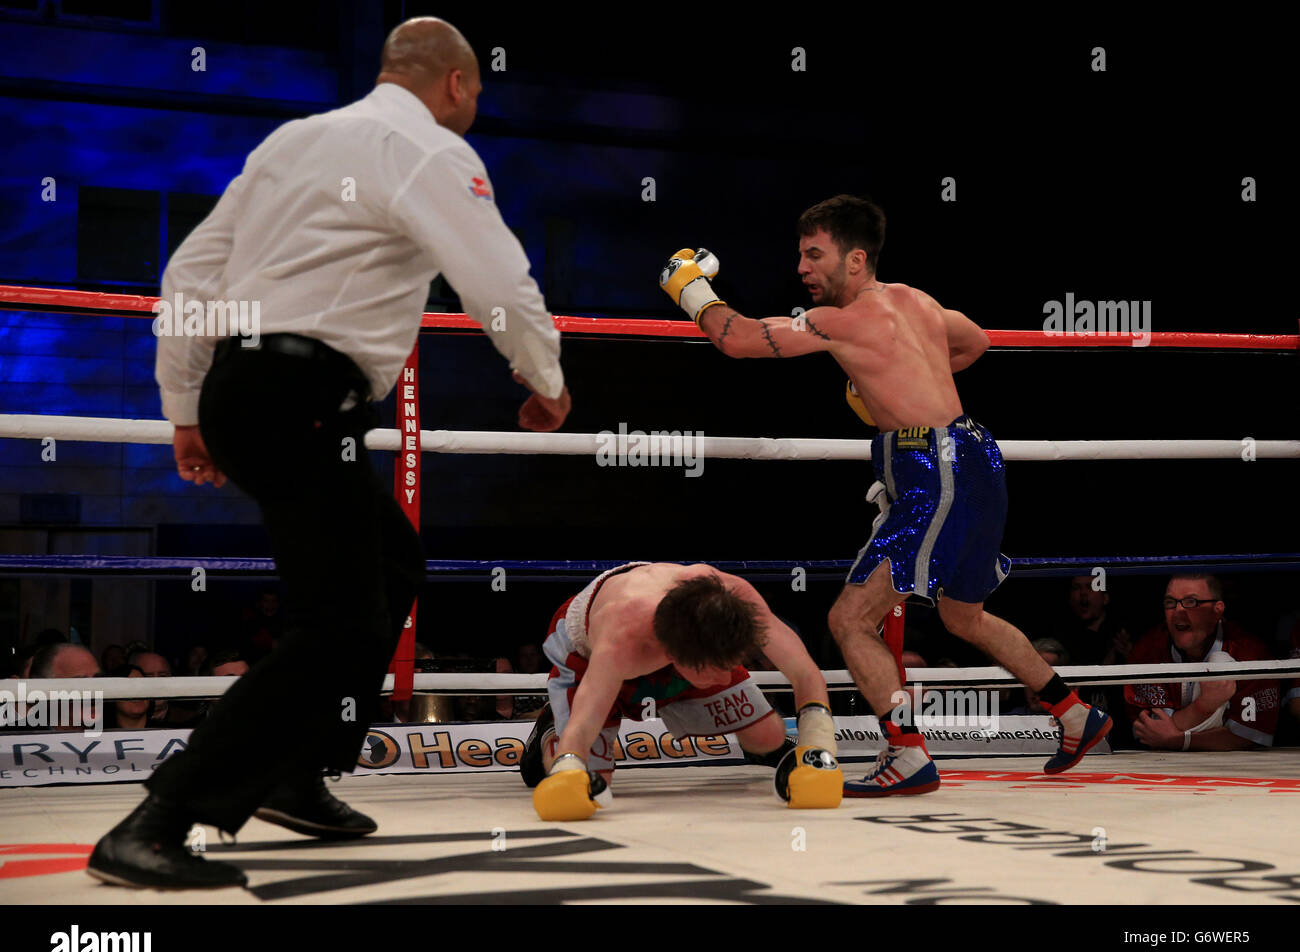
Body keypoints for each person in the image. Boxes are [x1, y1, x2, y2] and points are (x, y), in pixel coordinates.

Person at [89, 16, 571, 890]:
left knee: (390, 561)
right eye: (478, 89)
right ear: (458, 84)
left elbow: (192, 273)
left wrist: (187, 405)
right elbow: (497, 276)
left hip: (248, 388)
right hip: (298, 395)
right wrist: (545, 376)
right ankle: (158, 819)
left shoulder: (294, 140)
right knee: (340, 618)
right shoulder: (426, 150)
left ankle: (295, 769)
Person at [659, 194, 1112, 795]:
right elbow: (974, 341)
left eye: (814, 254)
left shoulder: (845, 320)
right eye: (800, 255)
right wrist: (895, 381)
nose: (802, 268)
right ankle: (1076, 714)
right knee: (963, 615)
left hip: (935, 469)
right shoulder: (915, 300)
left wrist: (687, 287)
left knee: (849, 618)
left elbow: (737, 339)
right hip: (974, 455)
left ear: (855, 260)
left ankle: (905, 754)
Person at [522, 562, 842, 821]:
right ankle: (551, 728)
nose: (722, 676)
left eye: (729, 664)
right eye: (710, 670)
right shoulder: (621, 637)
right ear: (673, 659)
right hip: (585, 650)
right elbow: (584, 723)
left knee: (768, 737)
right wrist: (568, 767)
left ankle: (775, 752)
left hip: (691, 636)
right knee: (591, 783)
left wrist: (819, 751)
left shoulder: (737, 604)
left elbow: (806, 673)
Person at [1125, 574, 1279, 750]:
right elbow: (1151, 731)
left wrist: (1180, 740)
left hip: (1234, 768)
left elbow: (1249, 735)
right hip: (1161, 765)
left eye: (1191, 602)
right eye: (1170, 602)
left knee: (1220, 662)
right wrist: (1204, 705)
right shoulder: (1147, 651)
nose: (1178, 610)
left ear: (1217, 611)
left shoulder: (1249, 653)